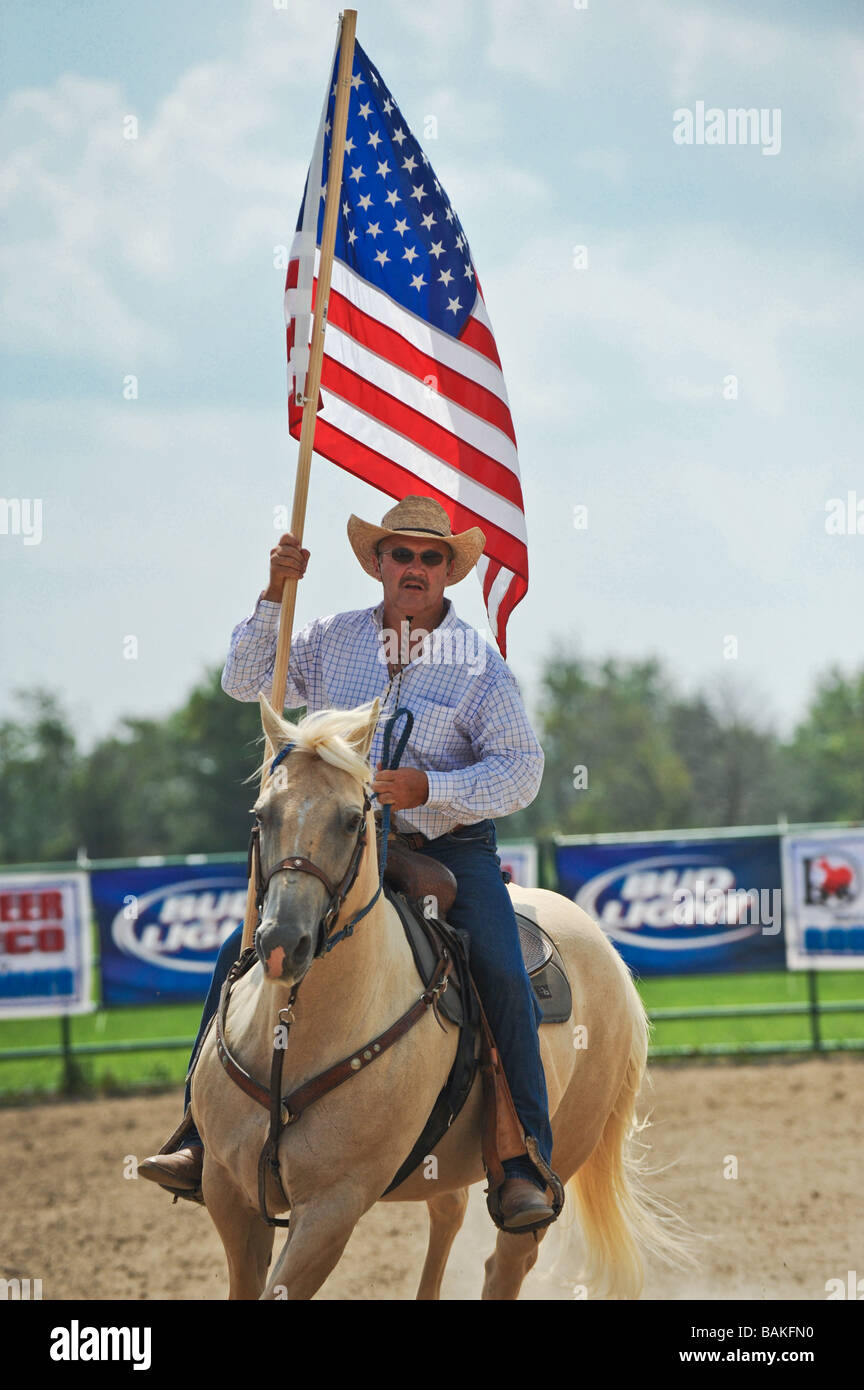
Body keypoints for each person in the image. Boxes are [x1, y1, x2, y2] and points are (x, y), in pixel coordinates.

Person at [139, 496, 557, 1229]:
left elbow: (521, 769)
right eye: (402, 555)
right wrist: (273, 594)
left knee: (498, 967)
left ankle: (521, 1158)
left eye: (431, 558)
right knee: (243, 951)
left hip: (448, 848)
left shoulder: (479, 666)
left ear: (449, 571)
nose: (416, 569)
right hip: (335, 844)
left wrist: (431, 787)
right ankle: (200, 1137)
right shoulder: (331, 639)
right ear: (378, 564)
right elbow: (245, 680)